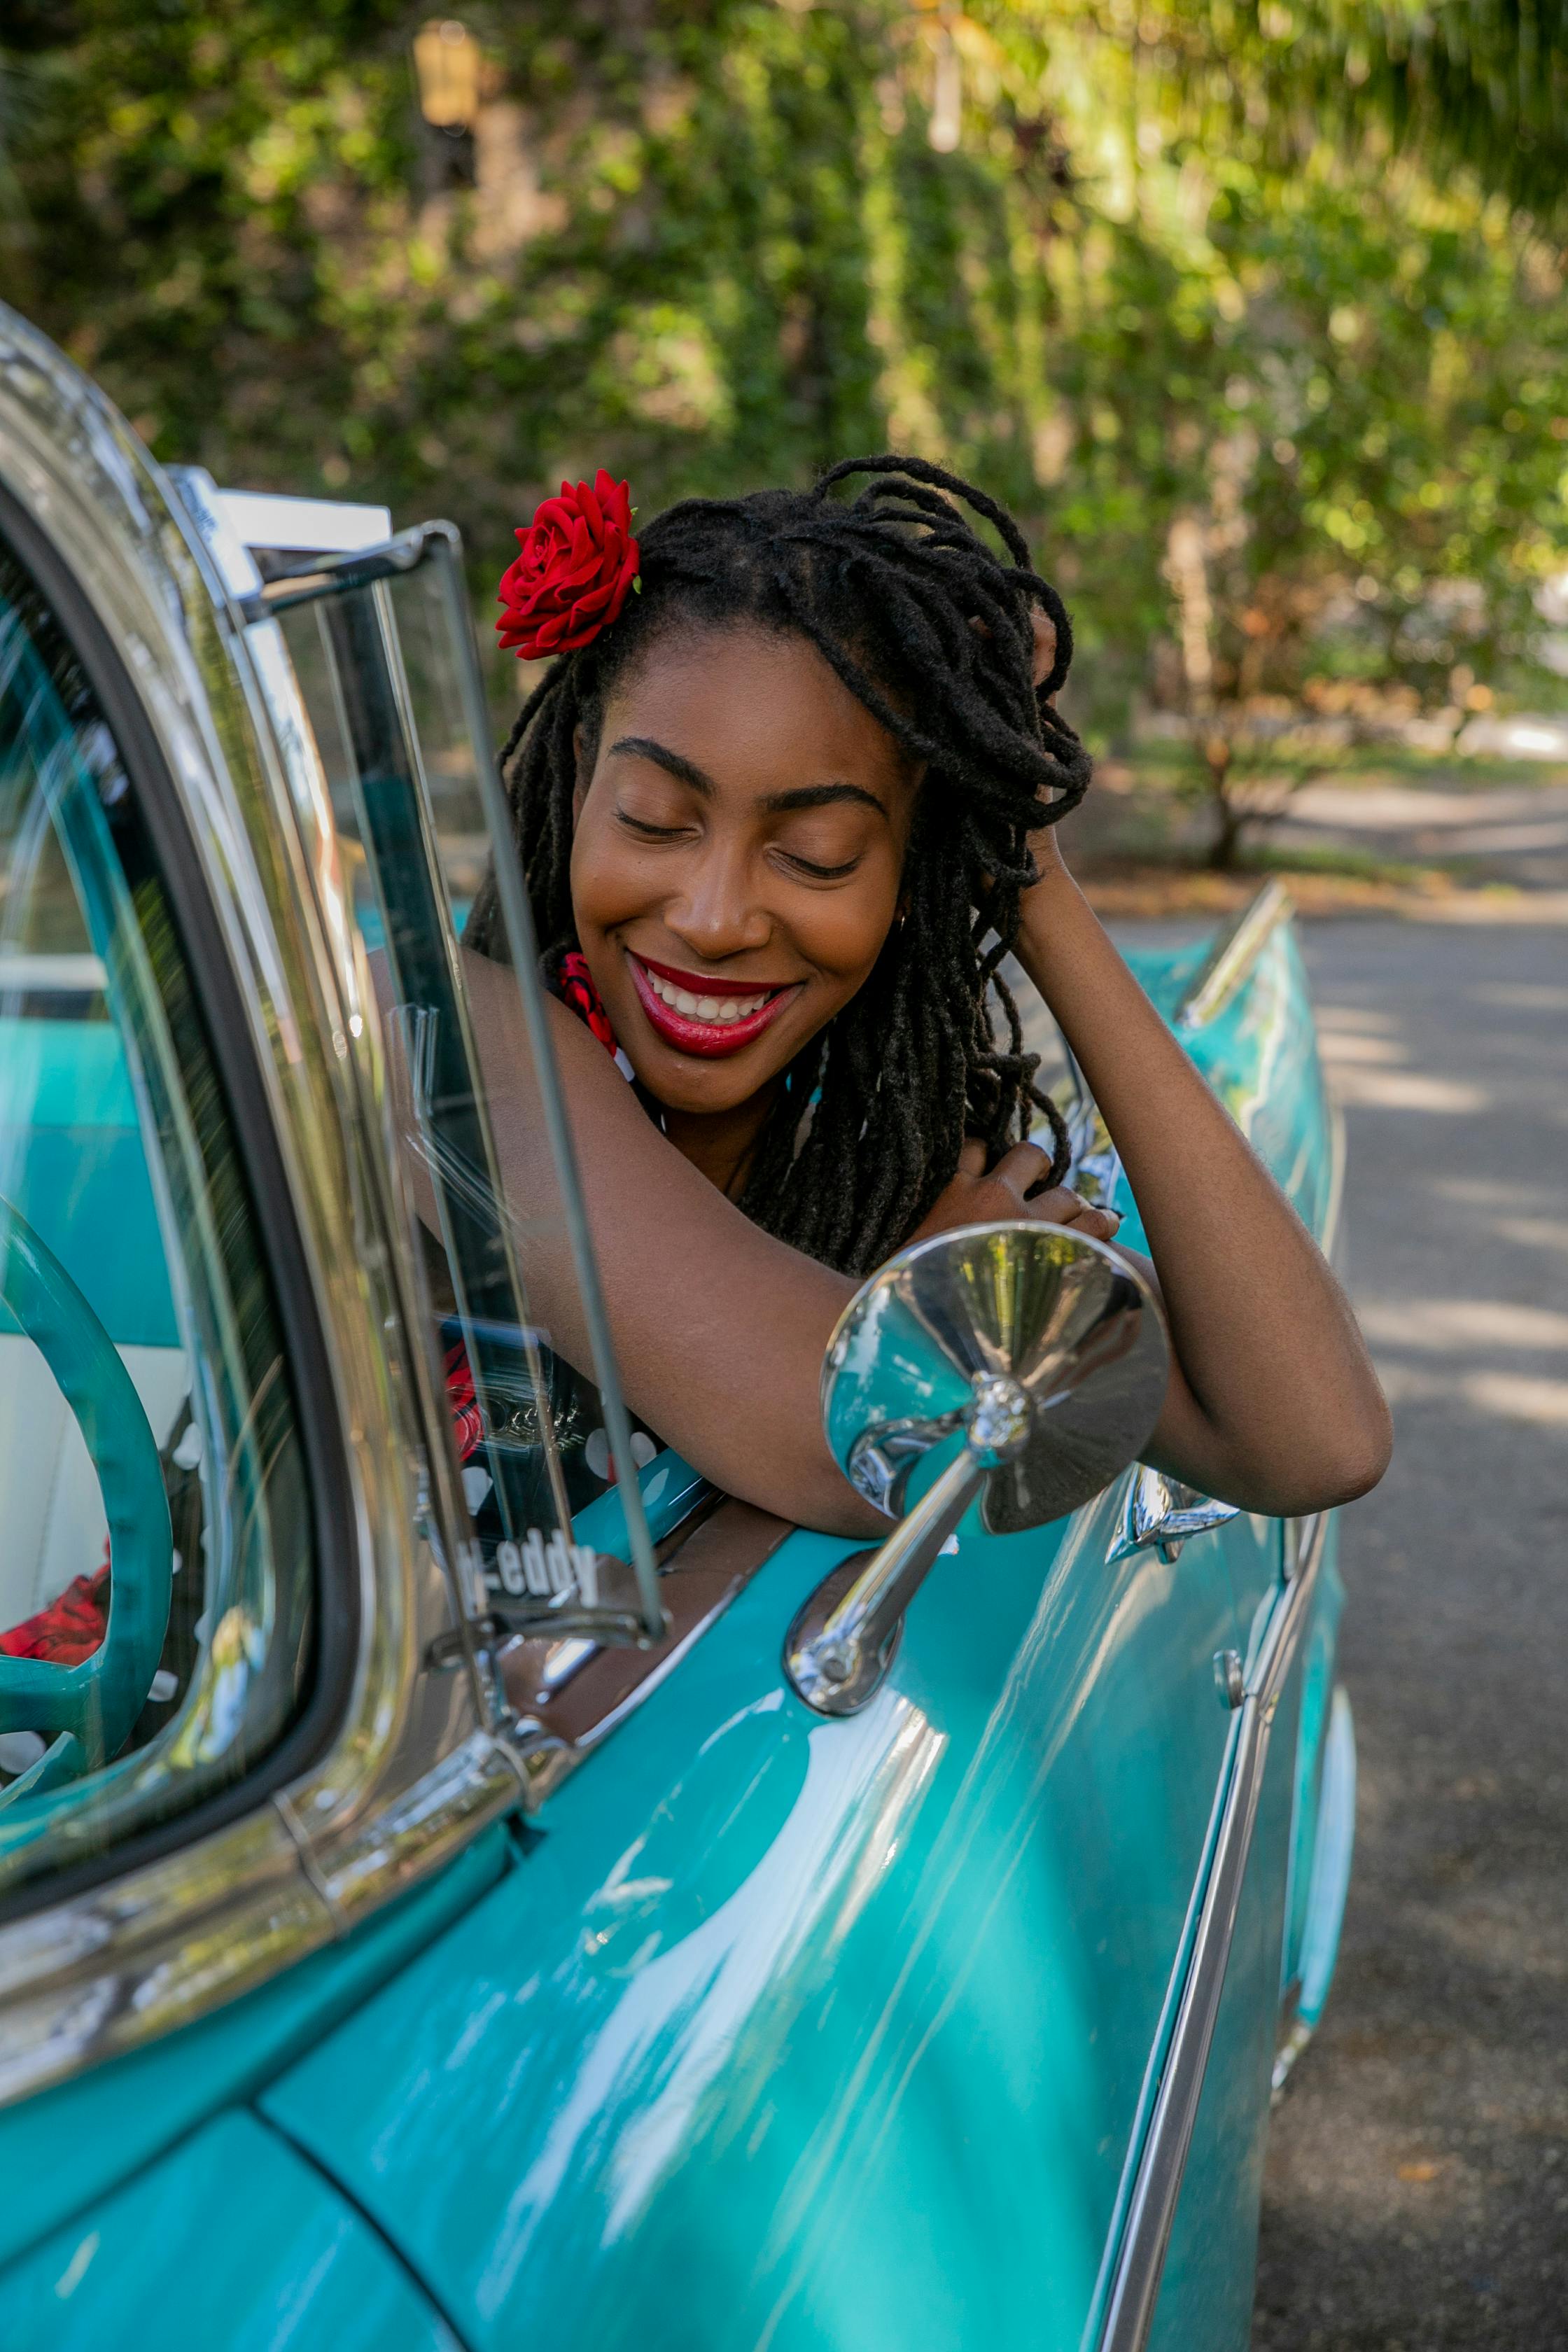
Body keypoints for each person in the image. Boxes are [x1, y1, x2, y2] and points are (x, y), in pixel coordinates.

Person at [452, 456, 1390, 1539]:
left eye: (815, 853)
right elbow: (822, 1431)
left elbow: (1316, 1441)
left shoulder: (889, 1168)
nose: (713, 918)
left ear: (911, 862)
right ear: (577, 774)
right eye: (656, 820)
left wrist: (1026, 873)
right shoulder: (454, 1049)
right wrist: (915, 1302)